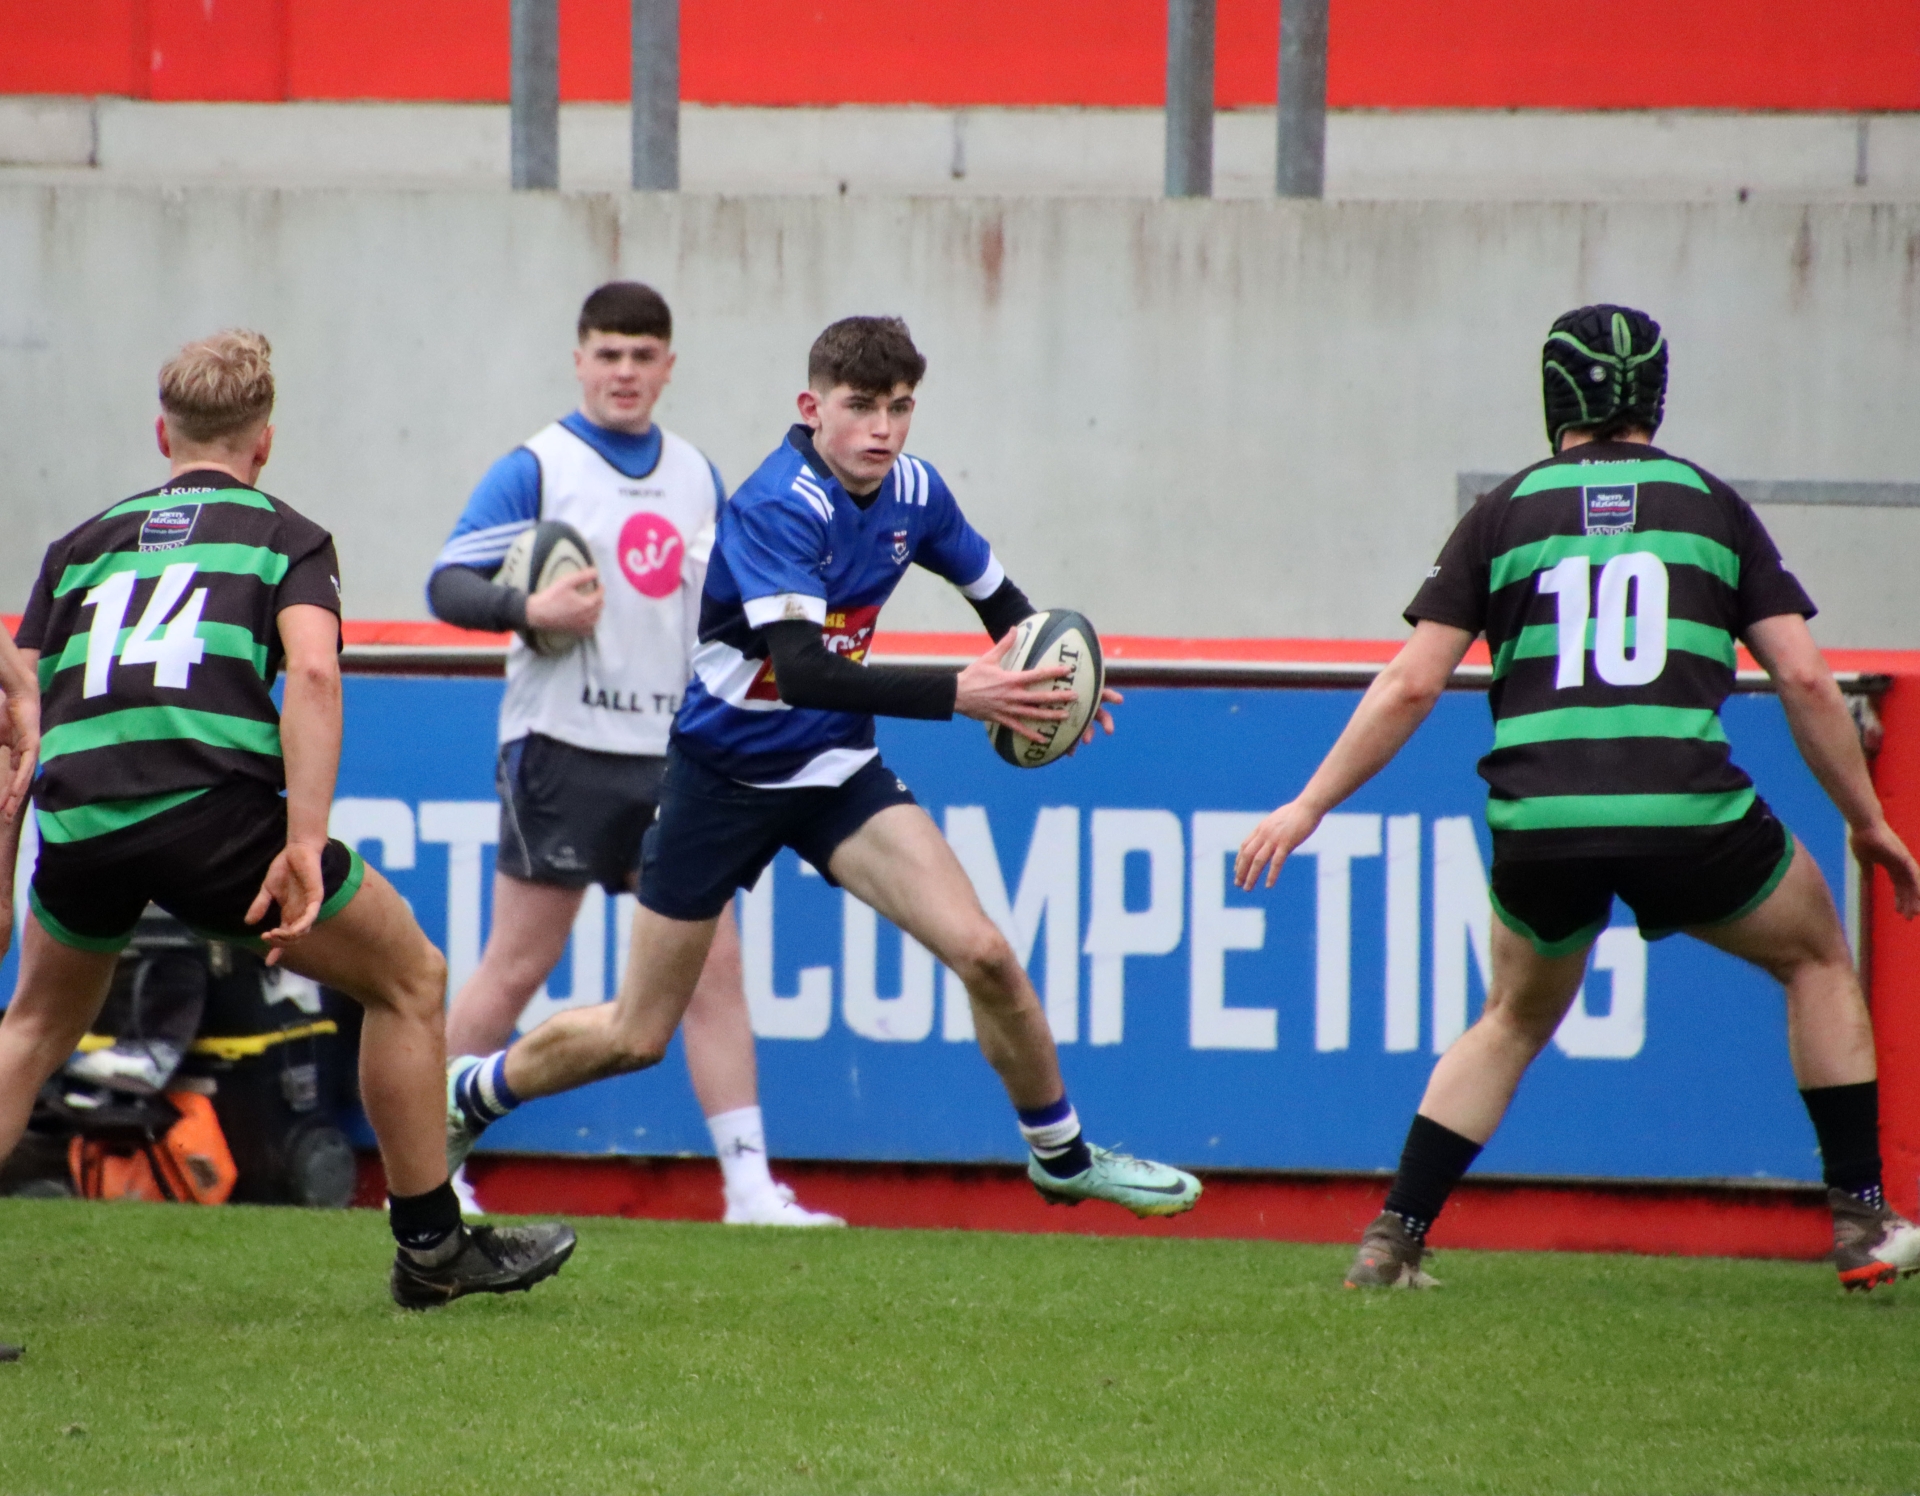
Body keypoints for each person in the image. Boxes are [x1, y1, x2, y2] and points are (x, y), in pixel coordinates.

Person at [444, 315, 1203, 1218]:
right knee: (634, 1035)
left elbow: (1001, 602)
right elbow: (803, 671)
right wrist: (963, 694)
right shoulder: (778, 502)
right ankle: (473, 1092)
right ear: (812, 408)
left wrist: (1048, 684)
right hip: (719, 780)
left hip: (835, 771)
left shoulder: (915, 493)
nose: (882, 429)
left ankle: (1063, 1155)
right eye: (860, 407)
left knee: (987, 954)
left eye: (900, 407)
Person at [1235, 304, 1920, 1292]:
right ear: (1656, 394)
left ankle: (1394, 1239)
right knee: (1817, 955)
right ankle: (1861, 1220)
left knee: (1511, 1016)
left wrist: (1307, 804)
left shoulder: (1502, 513)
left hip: (1540, 821)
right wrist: (1867, 820)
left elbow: (1412, 683)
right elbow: (1810, 683)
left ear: (1554, 395)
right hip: (1690, 813)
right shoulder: (1710, 506)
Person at [0, 330, 575, 1312]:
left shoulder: (78, 546)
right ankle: (433, 1250)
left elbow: (20, 721)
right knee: (410, 979)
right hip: (210, 814)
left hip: (82, 811)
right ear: (264, 440)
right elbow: (311, 670)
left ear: (161, 432)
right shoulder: (282, 533)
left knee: (35, 1026)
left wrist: (9, 855)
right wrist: (301, 842)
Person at [428, 282, 839, 1226]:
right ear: (580, 359)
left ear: (668, 365)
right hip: (562, 749)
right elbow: (446, 582)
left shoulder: (700, 474)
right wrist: (525, 610)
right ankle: (430, 1158)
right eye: (608, 353)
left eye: (642, 354)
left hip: (677, 757)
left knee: (713, 968)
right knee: (518, 963)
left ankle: (745, 1187)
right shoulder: (540, 465)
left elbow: (741, 601)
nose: (624, 371)